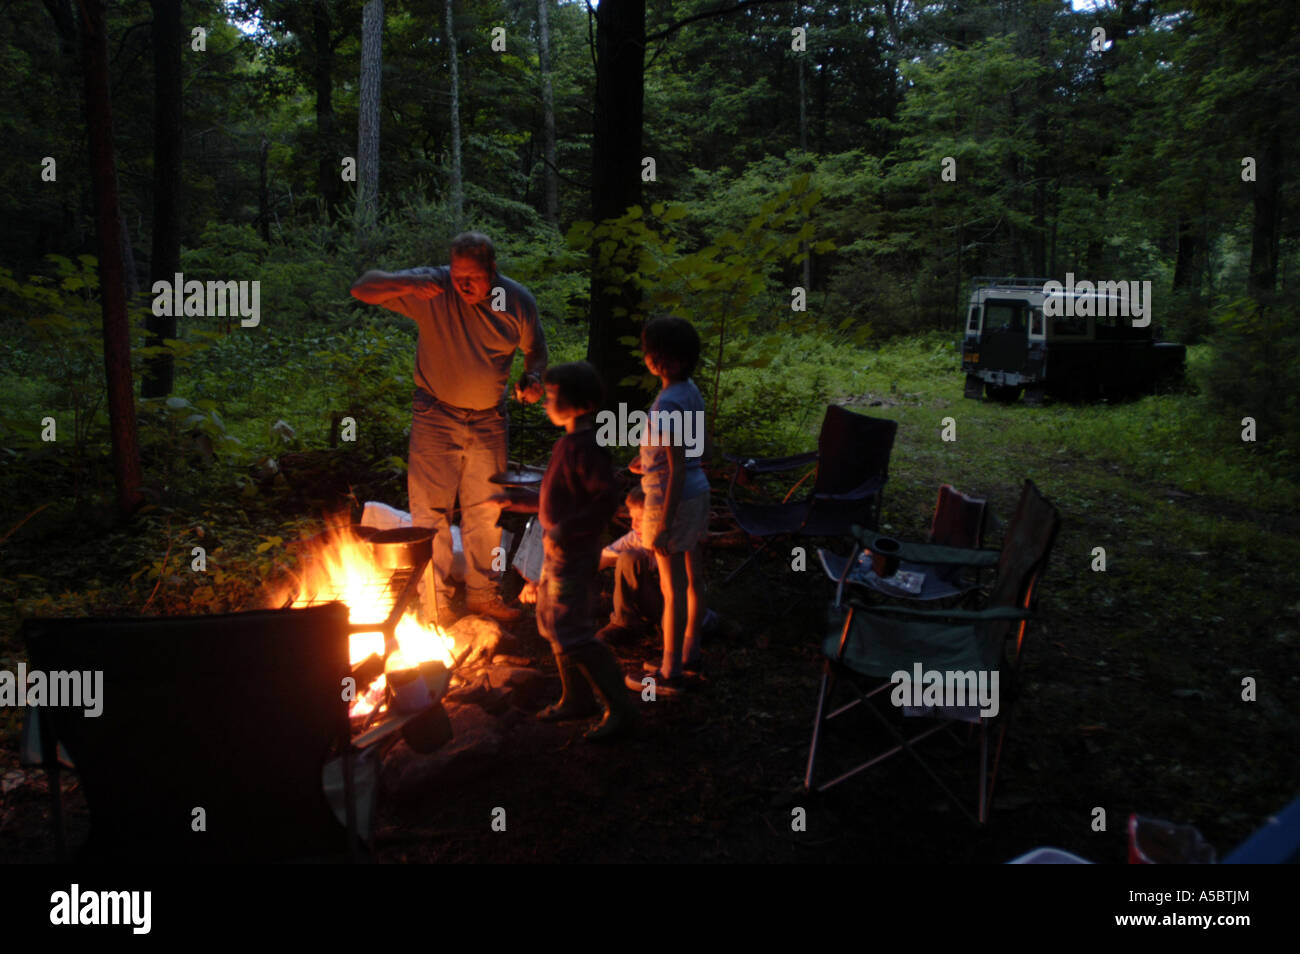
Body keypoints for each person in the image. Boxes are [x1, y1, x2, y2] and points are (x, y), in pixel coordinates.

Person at [350, 232, 546, 624]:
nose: (463, 285)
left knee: (486, 510)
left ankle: (482, 595)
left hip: (490, 418)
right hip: (435, 415)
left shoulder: (516, 302)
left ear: (493, 271)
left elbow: (535, 348)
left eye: (472, 277)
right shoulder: (435, 287)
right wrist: (406, 283)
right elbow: (362, 288)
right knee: (429, 513)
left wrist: (534, 376)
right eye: (457, 275)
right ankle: (433, 604)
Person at [534, 362, 638, 741]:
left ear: (581, 404)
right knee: (550, 621)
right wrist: (517, 500)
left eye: (551, 396)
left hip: (573, 556)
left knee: (572, 629)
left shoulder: (586, 447)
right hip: (556, 553)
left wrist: (566, 528)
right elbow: (564, 496)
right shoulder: (567, 443)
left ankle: (621, 709)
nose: (545, 402)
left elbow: (606, 498)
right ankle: (575, 698)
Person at [623, 315, 711, 696]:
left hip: (670, 499)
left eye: (651, 352)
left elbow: (675, 470)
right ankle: (690, 650)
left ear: (666, 361)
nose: (648, 358)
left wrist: (663, 524)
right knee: (693, 578)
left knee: (670, 588)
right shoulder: (690, 391)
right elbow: (690, 452)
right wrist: (646, 460)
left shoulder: (667, 404)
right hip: (697, 490)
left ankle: (669, 670)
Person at [595, 486, 718, 653]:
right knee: (628, 557)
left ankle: (697, 629)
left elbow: (691, 589)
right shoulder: (635, 537)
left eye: (640, 519)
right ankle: (623, 623)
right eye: (632, 518)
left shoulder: (677, 543)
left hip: (677, 609)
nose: (633, 525)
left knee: (630, 558)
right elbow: (601, 559)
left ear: (658, 519)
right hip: (652, 604)